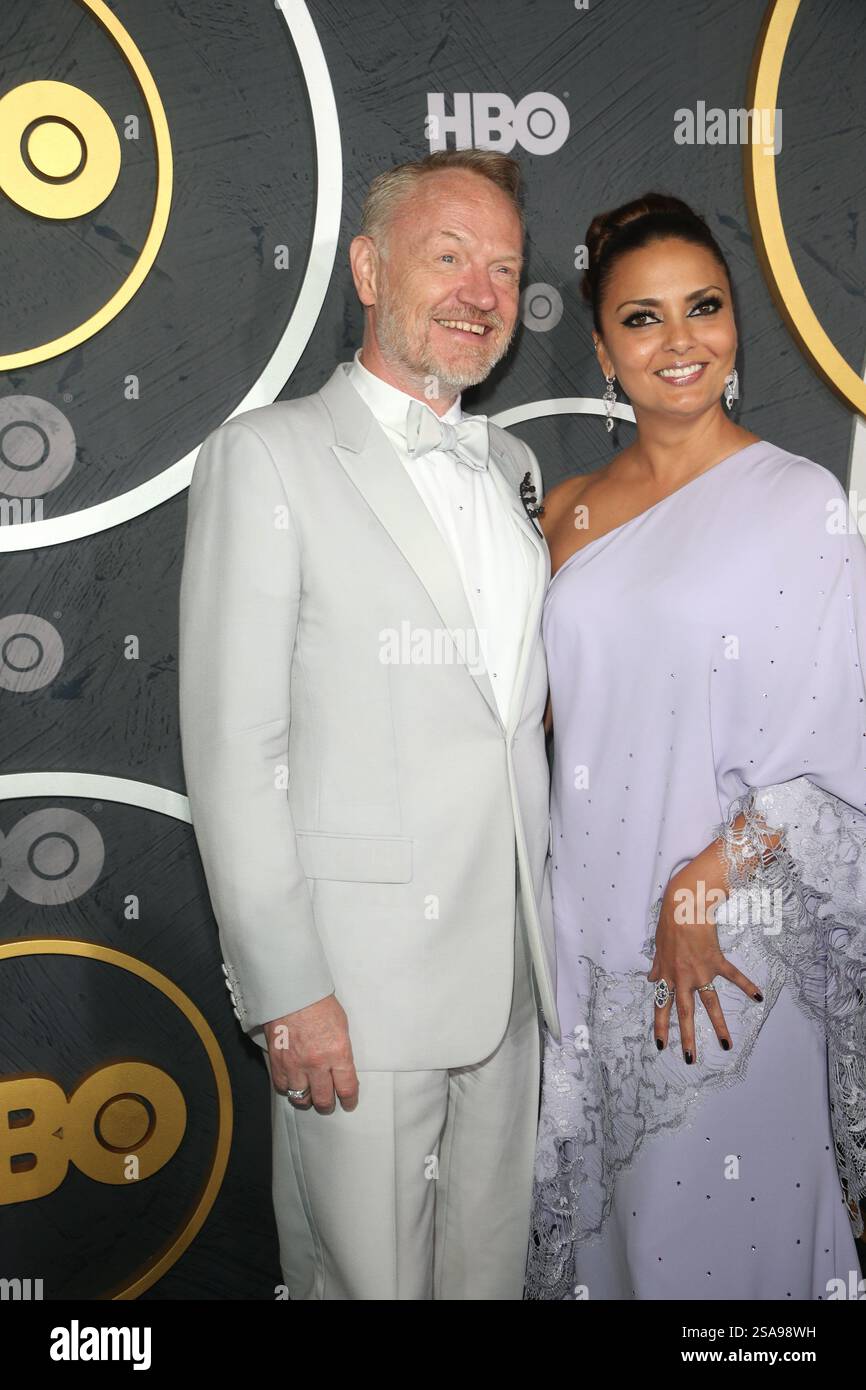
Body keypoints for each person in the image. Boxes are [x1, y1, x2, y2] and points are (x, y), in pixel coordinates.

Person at [178, 148, 560, 1301]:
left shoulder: (514, 467)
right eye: (446, 256)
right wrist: (289, 988)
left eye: (501, 267)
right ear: (365, 267)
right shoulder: (268, 457)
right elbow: (234, 748)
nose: (478, 292)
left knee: (484, 1280)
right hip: (356, 994)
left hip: (508, 983)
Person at [526, 192, 866, 1301]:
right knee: (617, 1244)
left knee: (718, 1244)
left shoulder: (797, 500)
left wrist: (700, 886)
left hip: (729, 933)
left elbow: (835, 742)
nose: (679, 341)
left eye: (703, 307)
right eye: (641, 317)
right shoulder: (563, 512)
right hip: (581, 935)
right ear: (599, 348)